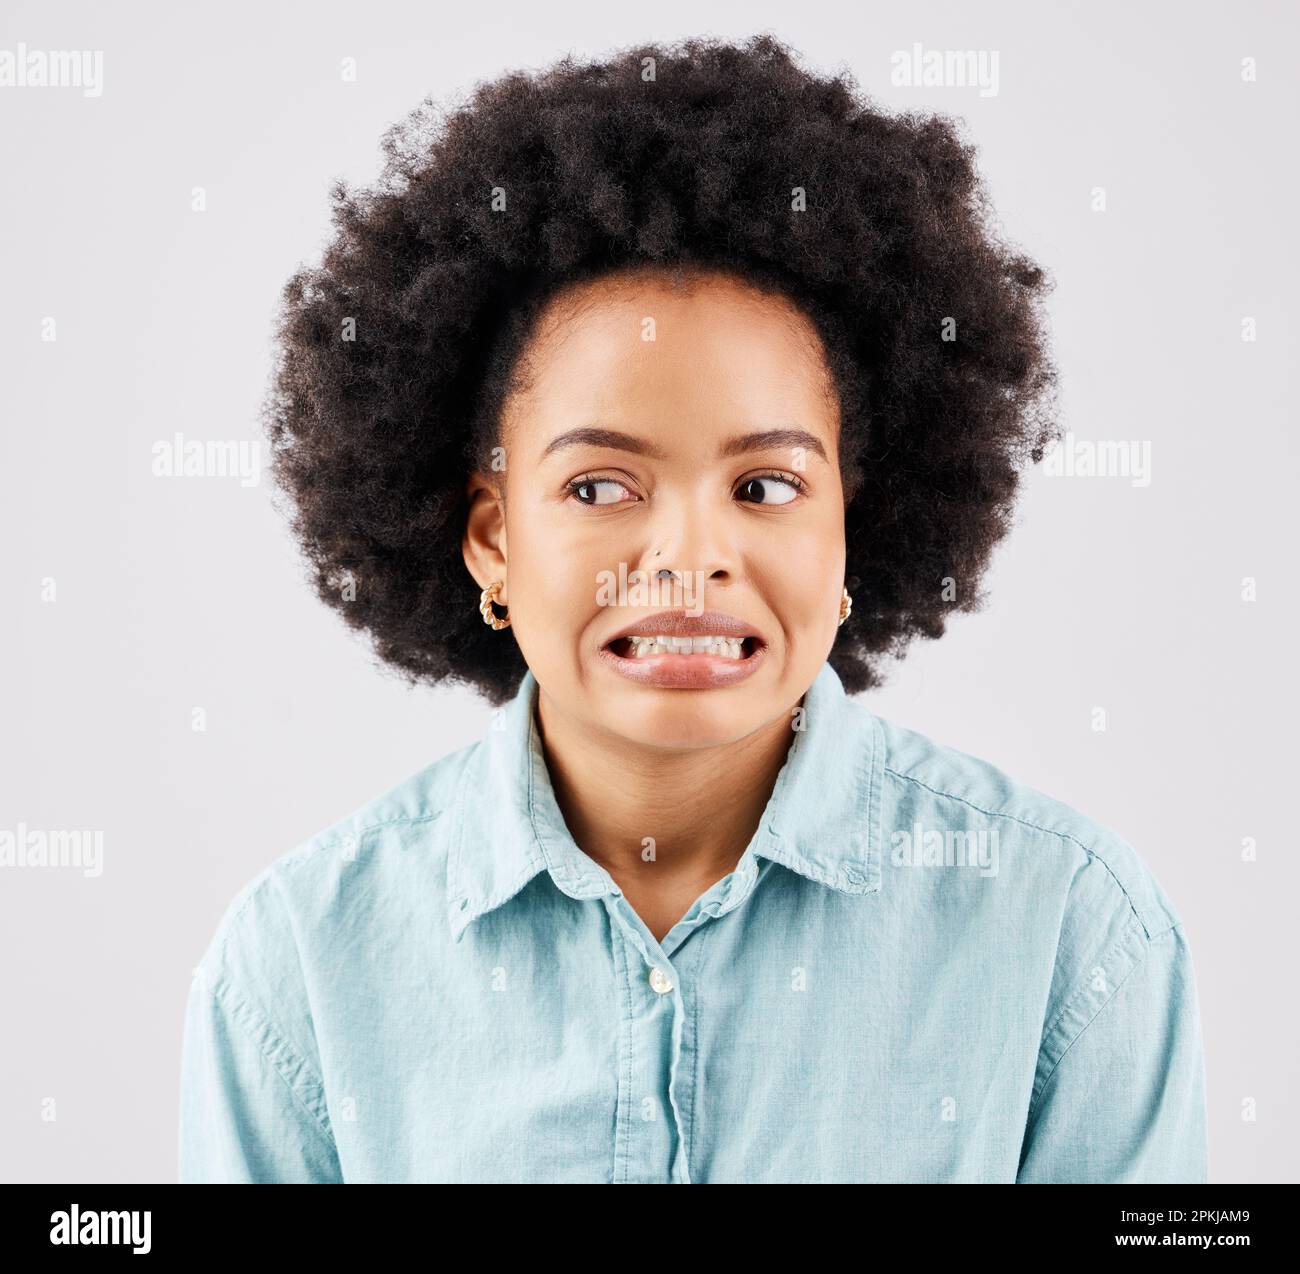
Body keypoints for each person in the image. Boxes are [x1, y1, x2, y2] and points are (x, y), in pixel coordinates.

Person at [178, 34, 1207, 1183]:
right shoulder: (299, 967)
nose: (685, 559)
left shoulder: (1070, 934)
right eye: (599, 486)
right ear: (491, 538)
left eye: (765, 486)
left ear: (850, 528)